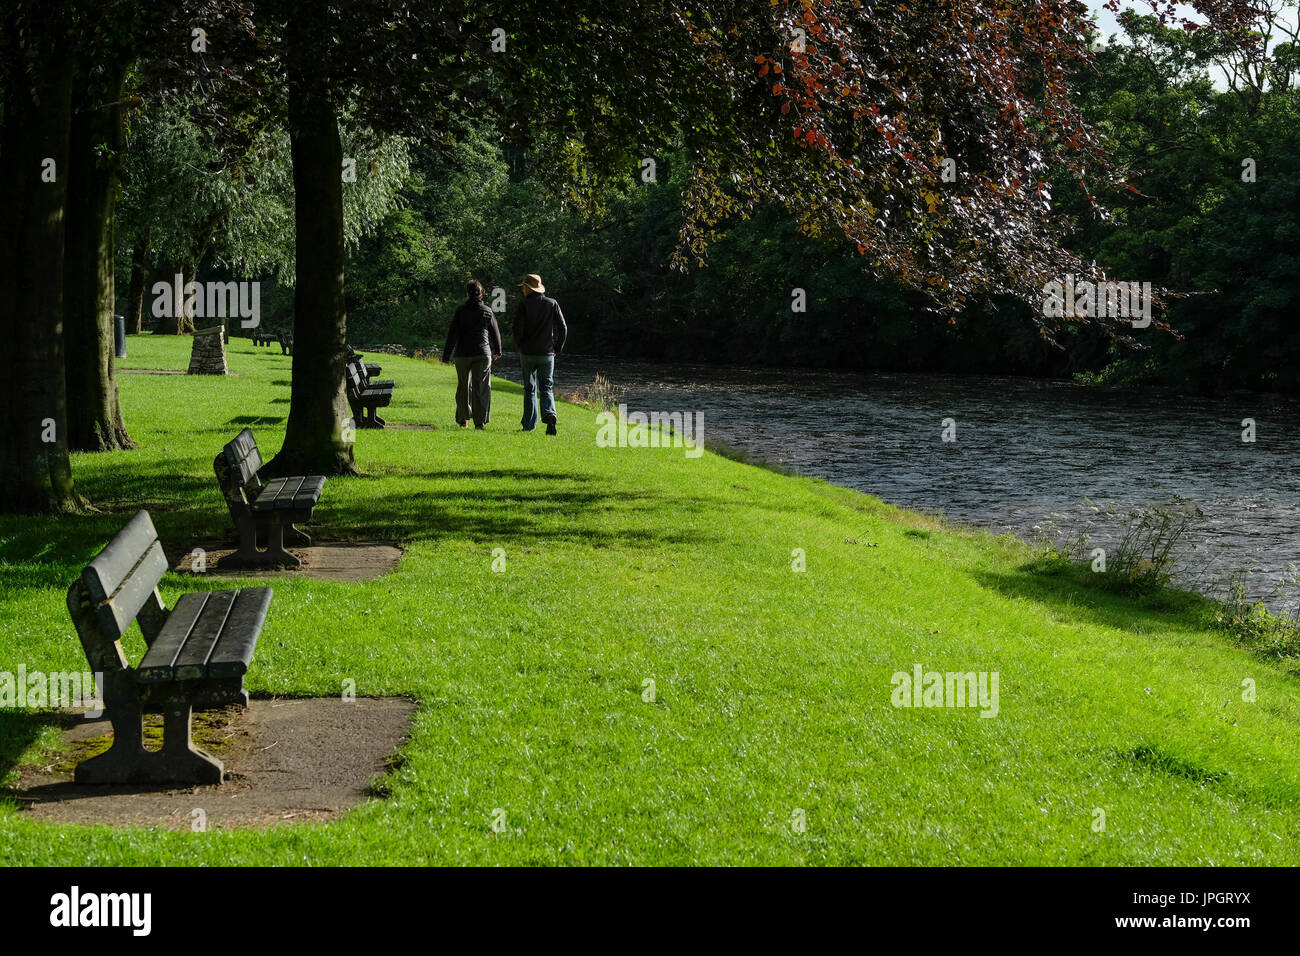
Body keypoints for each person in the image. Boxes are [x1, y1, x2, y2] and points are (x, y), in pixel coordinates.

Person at [441, 280, 502, 429]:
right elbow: (495, 333)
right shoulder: (487, 311)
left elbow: (453, 334)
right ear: (481, 294)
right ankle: (479, 422)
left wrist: (446, 355)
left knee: (463, 387)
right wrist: (498, 350)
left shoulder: (460, 311)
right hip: (482, 353)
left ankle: (463, 419)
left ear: (467, 294)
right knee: (481, 388)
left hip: (462, 354)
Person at [512, 273, 567, 435]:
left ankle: (528, 425)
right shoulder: (552, 303)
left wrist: (519, 345)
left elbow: (517, 329)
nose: (522, 290)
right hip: (547, 353)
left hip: (528, 353)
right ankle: (550, 414)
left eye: (523, 287)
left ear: (528, 288)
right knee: (546, 388)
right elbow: (563, 328)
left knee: (529, 389)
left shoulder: (523, 305)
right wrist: (557, 348)